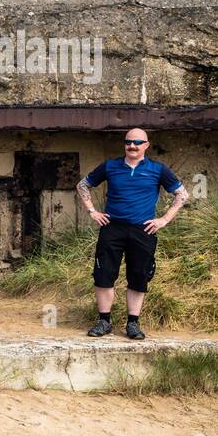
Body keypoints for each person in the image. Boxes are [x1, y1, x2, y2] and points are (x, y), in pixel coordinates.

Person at [77, 129, 189, 339]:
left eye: (138, 142)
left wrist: (164, 220)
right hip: (112, 227)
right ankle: (104, 321)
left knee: (139, 275)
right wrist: (92, 211)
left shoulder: (158, 169)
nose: (133, 146)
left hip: (143, 230)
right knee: (103, 274)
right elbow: (83, 184)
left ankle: (133, 324)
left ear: (146, 145)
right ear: (124, 145)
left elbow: (182, 194)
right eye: (129, 142)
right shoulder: (110, 166)